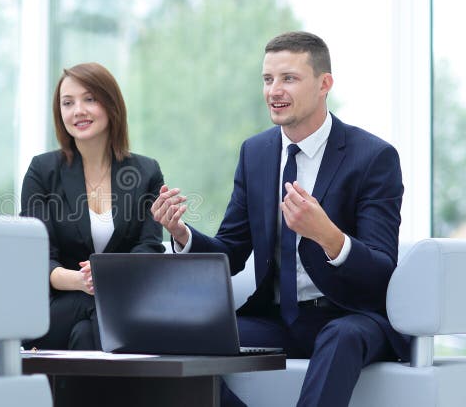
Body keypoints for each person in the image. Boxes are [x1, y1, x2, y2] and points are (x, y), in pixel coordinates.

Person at [151, 31, 408, 406]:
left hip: (351, 317)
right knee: (176, 337)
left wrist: (329, 237)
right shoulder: (256, 153)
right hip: (279, 318)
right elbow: (231, 252)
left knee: (341, 337)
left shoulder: (373, 157)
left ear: (325, 84)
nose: (274, 90)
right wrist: (180, 233)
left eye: (289, 78)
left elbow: (382, 269)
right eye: (267, 79)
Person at [20, 62, 165, 350]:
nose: (78, 111)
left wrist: (110, 276)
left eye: (89, 99)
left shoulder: (146, 172)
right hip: (55, 309)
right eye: (67, 103)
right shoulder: (43, 170)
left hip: (122, 303)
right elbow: (36, 256)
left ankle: (93, 397)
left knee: (86, 335)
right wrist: (82, 281)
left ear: (111, 105)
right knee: (94, 302)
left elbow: (149, 247)